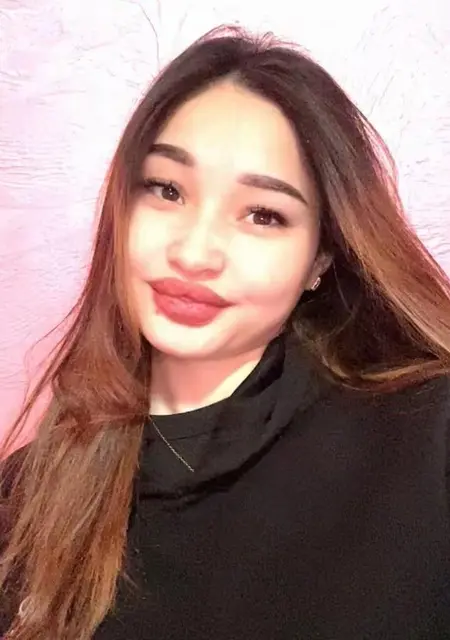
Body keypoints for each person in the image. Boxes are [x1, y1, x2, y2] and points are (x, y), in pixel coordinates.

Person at [0, 24, 450, 640]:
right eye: (166, 190)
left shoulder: (427, 443)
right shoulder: (29, 493)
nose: (194, 253)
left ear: (320, 259)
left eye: (263, 214)